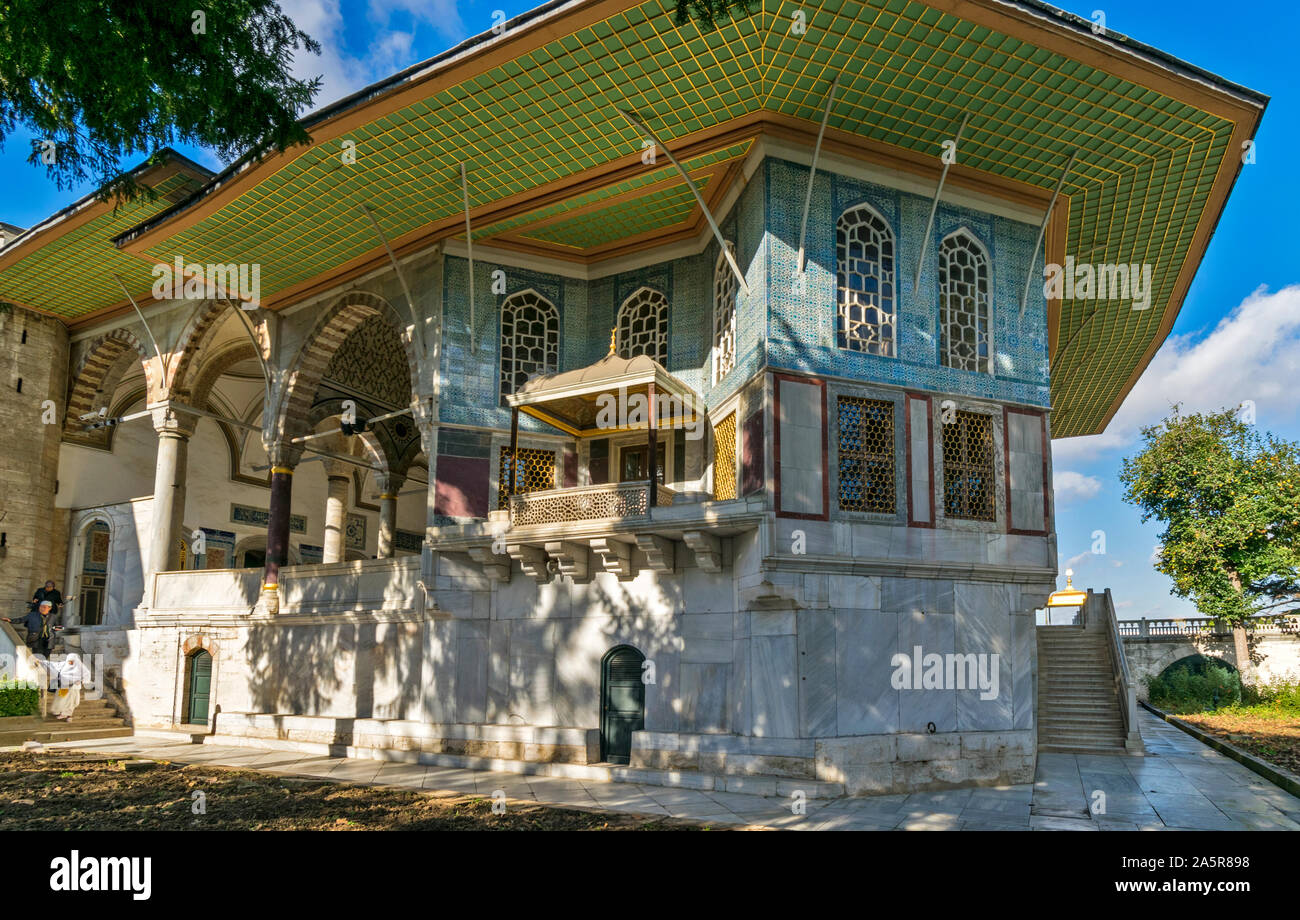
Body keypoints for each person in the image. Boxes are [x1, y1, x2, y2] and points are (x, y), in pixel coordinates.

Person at [44, 653, 91, 721]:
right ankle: (61, 712)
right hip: (64, 685)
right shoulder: (64, 664)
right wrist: (41, 662)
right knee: (60, 699)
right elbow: (53, 665)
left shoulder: (80, 666)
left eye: (72, 661)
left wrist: (81, 681)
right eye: (69, 661)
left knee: (72, 701)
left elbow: (87, 674)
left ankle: (68, 715)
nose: (70, 662)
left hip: (74, 687)